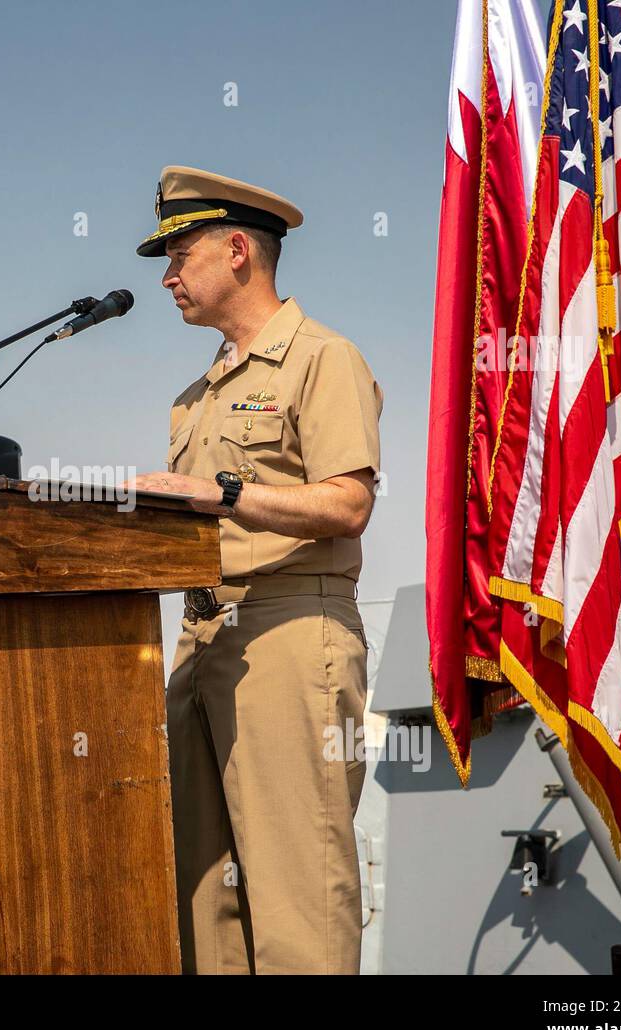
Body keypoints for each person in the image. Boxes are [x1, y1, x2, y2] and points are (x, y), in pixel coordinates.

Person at [128, 165, 383, 974]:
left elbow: (347, 505)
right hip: (200, 641)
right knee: (204, 908)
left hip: (287, 629)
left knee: (296, 902)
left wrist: (221, 492)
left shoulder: (323, 358)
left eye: (180, 254)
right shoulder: (193, 396)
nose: (168, 277)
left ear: (238, 250)